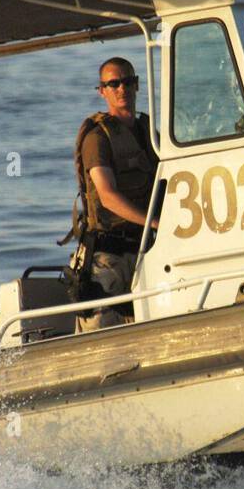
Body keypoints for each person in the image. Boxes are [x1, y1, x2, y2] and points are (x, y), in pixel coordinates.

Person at [64, 57, 159, 331]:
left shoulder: (148, 133)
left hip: (144, 249)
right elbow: (107, 196)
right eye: (113, 84)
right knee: (102, 334)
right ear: (102, 91)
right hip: (108, 254)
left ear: (137, 85)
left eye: (127, 82)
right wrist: (155, 222)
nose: (122, 89)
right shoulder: (98, 138)